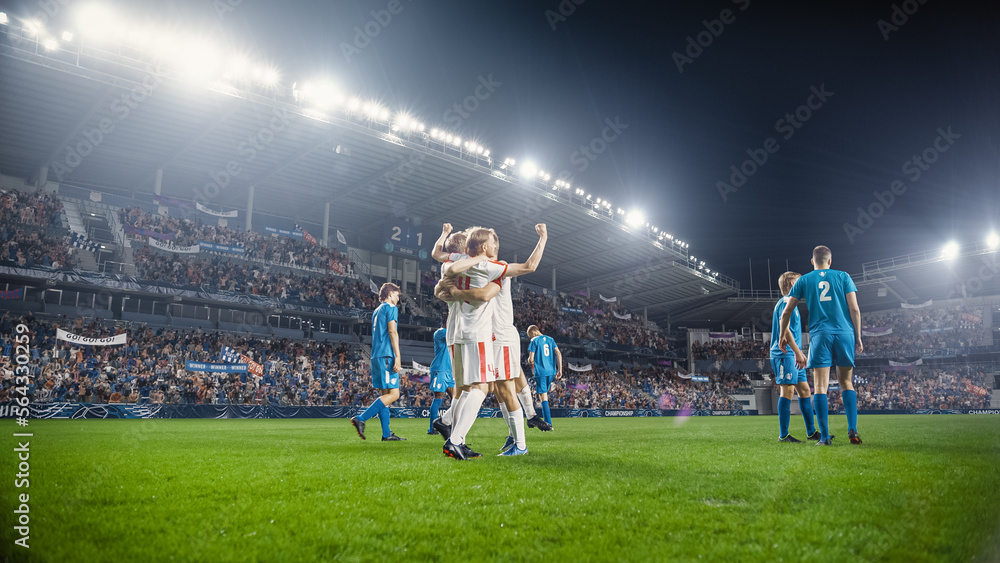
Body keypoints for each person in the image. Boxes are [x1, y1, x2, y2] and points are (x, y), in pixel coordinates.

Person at [438, 223, 551, 456]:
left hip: (484, 335)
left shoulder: (458, 265)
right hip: (483, 335)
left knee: (490, 388)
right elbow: (526, 268)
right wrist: (543, 238)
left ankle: (516, 440)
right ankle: (461, 438)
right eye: (492, 242)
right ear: (483, 247)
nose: (495, 246)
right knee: (489, 388)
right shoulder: (492, 267)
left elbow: (441, 281)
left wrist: (455, 292)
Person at [434, 227, 507, 460]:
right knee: (481, 387)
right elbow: (484, 294)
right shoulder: (476, 267)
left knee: (464, 388)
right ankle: (455, 439)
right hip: (473, 332)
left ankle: (456, 436)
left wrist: (444, 290)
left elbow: (438, 288)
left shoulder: (450, 268)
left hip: (455, 332)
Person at [779, 245, 863, 446]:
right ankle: (852, 429)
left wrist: (782, 335)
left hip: (820, 335)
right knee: (847, 383)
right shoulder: (843, 276)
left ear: (812, 261)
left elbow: (786, 311)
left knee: (820, 388)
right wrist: (858, 337)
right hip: (845, 334)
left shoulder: (804, 280)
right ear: (830, 261)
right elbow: (855, 309)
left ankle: (824, 437)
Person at [350, 282, 406, 442]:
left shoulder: (377, 310)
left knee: (385, 396)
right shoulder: (391, 308)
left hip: (376, 355)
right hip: (386, 355)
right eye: (397, 295)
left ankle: (386, 434)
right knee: (394, 394)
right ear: (390, 294)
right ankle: (361, 418)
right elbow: (392, 331)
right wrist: (398, 356)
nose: (398, 299)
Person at [770, 271, 818, 443]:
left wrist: (798, 352)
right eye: (799, 281)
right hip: (785, 354)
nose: (802, 284)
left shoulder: (792, 304)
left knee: (804, 390)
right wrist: (798, 352)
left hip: (793, 353)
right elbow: (786, 330)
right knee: (788, 390)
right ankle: (783, 435)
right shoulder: (785, 302)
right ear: (791, 283)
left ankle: (811, 432)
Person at [526, 325, 562, 428]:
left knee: (543, 397)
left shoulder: (534, 340)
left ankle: (548, 424)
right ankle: (547, 423)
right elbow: (558, 353)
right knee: (544, 394)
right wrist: (560, 370)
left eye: (530, 335)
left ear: (533, 332)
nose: (531, 337)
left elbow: (531, 359)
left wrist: (529, 361)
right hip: (551, 371)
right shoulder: (550, 339)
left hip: (541, 371)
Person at [427, 318, 454, 435]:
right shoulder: (440, 332)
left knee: (456, 398)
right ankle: (432, 428)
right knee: (438, 397)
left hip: (448, 371)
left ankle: (451, 424)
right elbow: (453, 335)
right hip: (440, 369)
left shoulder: (449, 333)